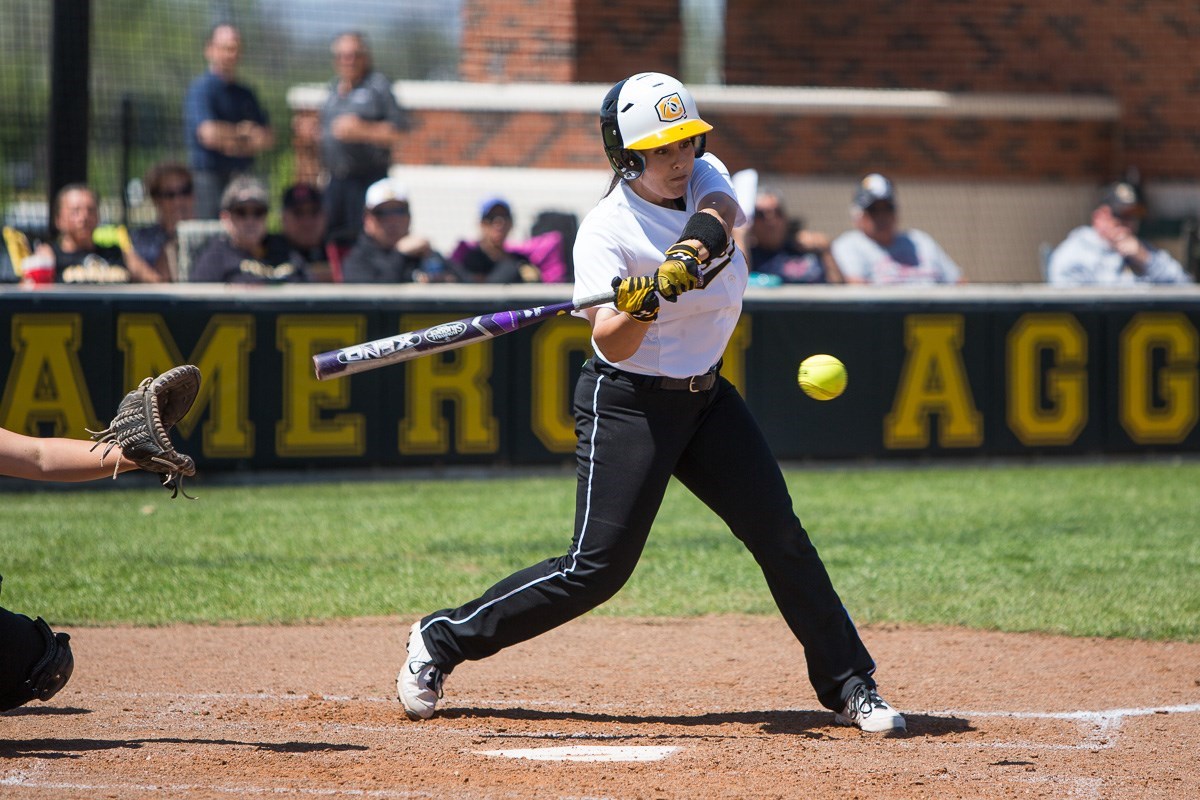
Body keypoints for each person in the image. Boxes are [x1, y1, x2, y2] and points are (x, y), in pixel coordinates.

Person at [397, 71, 906, 734]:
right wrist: (641, 305)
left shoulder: (704, 177)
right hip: (630, 401)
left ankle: (850, 684)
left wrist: (683, 257)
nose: (679, 158)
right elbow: (610, 340)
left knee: (780, 534)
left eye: (685, 142)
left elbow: (717, 216)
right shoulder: (604, 232)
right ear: (626, 157)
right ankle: (440, 638)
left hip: (705, 397)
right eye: (661, 149)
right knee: (595, 572)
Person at [319, 31, 407, 243]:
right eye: (342, 56)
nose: (348, 61)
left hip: (367, 178)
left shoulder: (378, 87)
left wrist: (363, 130)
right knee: (331, 237)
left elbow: (399, 132)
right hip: (336, 180)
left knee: (366, 239)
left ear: (366, 58)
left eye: (354, 55)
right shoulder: (333, 89)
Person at [183, 23, 274, 219]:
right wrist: (243, 133)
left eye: (235, 49)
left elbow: (266, 138)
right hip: (209, 180)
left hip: (242, 180)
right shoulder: (201, 89)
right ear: (210, 49)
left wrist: (229, 141)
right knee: (210, 232)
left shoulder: (246, 93)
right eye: (225, 48)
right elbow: (208, 134)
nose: (231, 54)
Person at [1047, 181, 1192, 285]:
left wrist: (1146, 261)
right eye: (1121, 215)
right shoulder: (1075, 251)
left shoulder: (1142, 250)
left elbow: (1184, 285)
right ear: (1099, 216)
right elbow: (1072, 303)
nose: (1128, 223)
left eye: (1134, 216)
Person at [831, 173, 963, 285]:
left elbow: (960, 283)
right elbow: (857, 293)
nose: (881, 216)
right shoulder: (849, 245)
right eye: (873, 210)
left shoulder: (919, 240)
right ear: (857, 215)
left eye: (887, 208)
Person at [29, 184, 155, 284]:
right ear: (58, 219)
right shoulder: (51, 256)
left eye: (91, 210)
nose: (84, 217)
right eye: (75, 211)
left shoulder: (117, 254)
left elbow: (155, 284)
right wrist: (42, 266)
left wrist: (130, 255)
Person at [191, 176, 305, 284]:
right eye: (241, 212)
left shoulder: (285, 250)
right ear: (225, 218)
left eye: (258, 212)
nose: (250, 221)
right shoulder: (214, 258)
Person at [341, 177, 449, 283]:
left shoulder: (421, 253)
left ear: (409, 217)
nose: (392, 220)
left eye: (399, 211)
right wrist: (400, 254)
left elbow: (458, 277)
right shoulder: (357, 261)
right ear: (368, 220)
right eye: (382, 213)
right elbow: (379, 289)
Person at [746, 190, 842, 284]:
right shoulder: (749, 255)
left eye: (777, 212)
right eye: (761, 215)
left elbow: (837, 286)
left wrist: (826, 251)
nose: (771, 220)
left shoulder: (807, 247)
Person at [448, 197, 544, 283]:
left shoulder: (520, 261)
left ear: (511, 224)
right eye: (491, 218)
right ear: (482, 224)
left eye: (504, 217)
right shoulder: (467, 258)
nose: (499, 223)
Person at [130, 162, 196, 282]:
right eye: (170, 195)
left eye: (185, 191)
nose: (179, 201)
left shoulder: (212, 238)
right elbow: (158, 281)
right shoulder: (141, 240)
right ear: (156, 200)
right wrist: (172, 237)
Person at [277, 182, 332, 282]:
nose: (307, 222)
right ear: (283, 218)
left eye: (314, 212)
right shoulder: (270, 252)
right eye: (298, 213)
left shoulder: (338, 252)